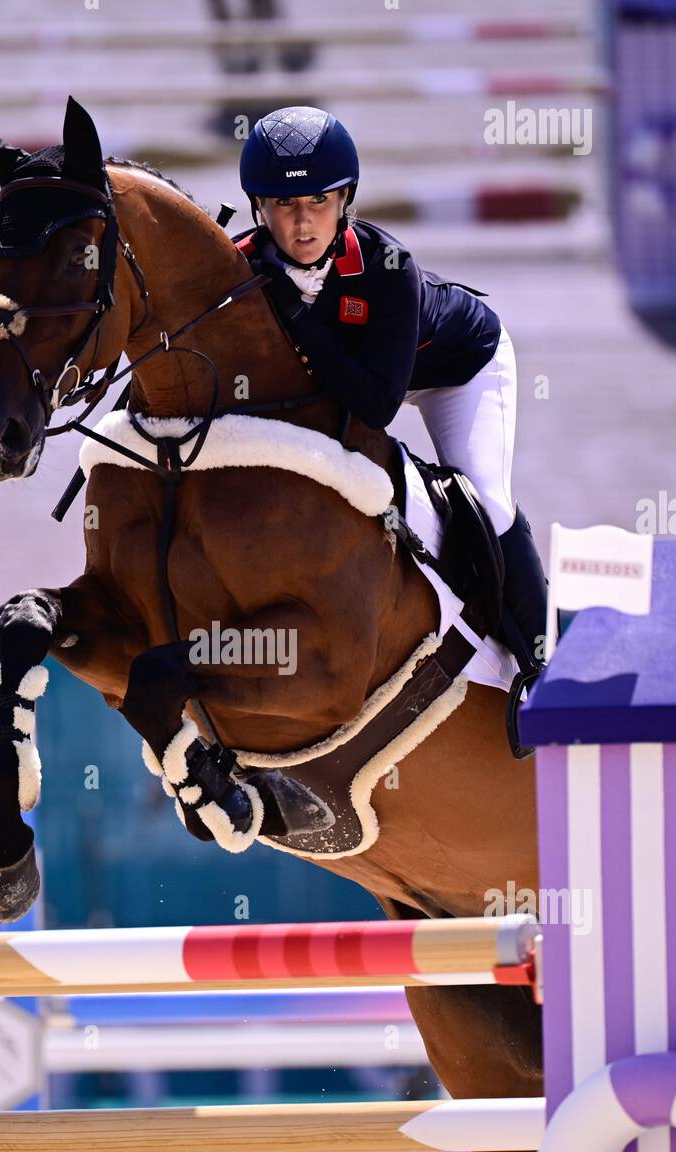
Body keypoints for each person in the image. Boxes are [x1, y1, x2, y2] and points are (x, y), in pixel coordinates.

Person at [235, 105, 549, 723]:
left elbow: (377, 405)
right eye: (283, 205)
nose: (302, 224)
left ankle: (541, 668)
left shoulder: (387, 268)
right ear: (259, 209)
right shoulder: (241, 262)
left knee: (486, 496)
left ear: (345, 198)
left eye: (319, 203)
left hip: (459, 368)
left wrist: (296, 319)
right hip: (366, 376)